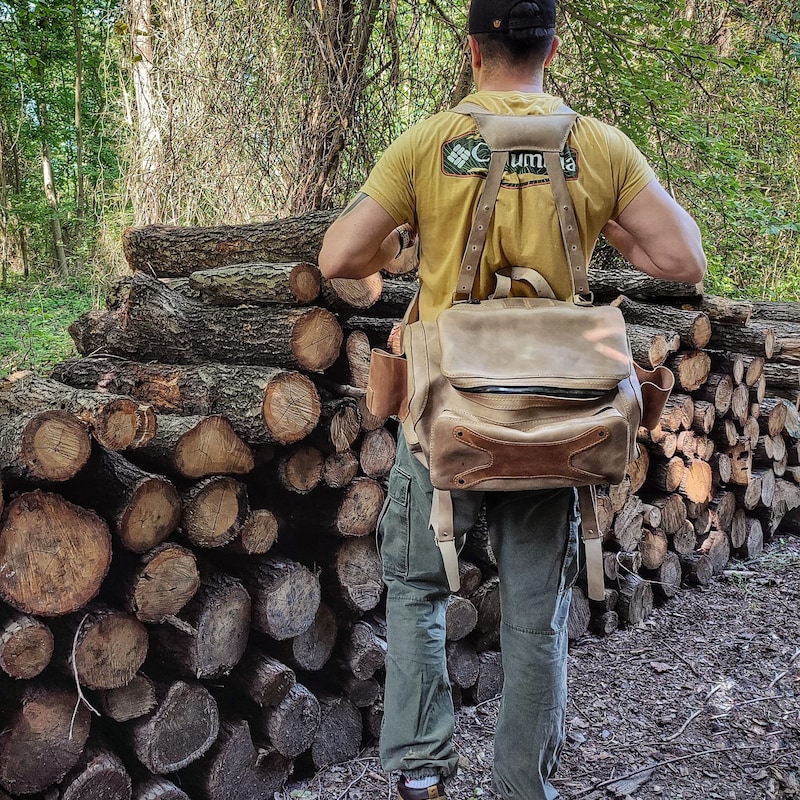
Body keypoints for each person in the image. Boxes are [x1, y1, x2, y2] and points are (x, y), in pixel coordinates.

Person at [318, 1, 707, 798]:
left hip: (442, 416)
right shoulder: (599, 146)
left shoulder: (430, 143)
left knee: (419, 593)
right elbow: (682, 259)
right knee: (536, 617)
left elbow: (339, 256)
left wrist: (404, 241)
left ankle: (422, 778)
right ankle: (524, 788)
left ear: (473, 50)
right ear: (551, 49)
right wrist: (612, 229)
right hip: (555, 421)